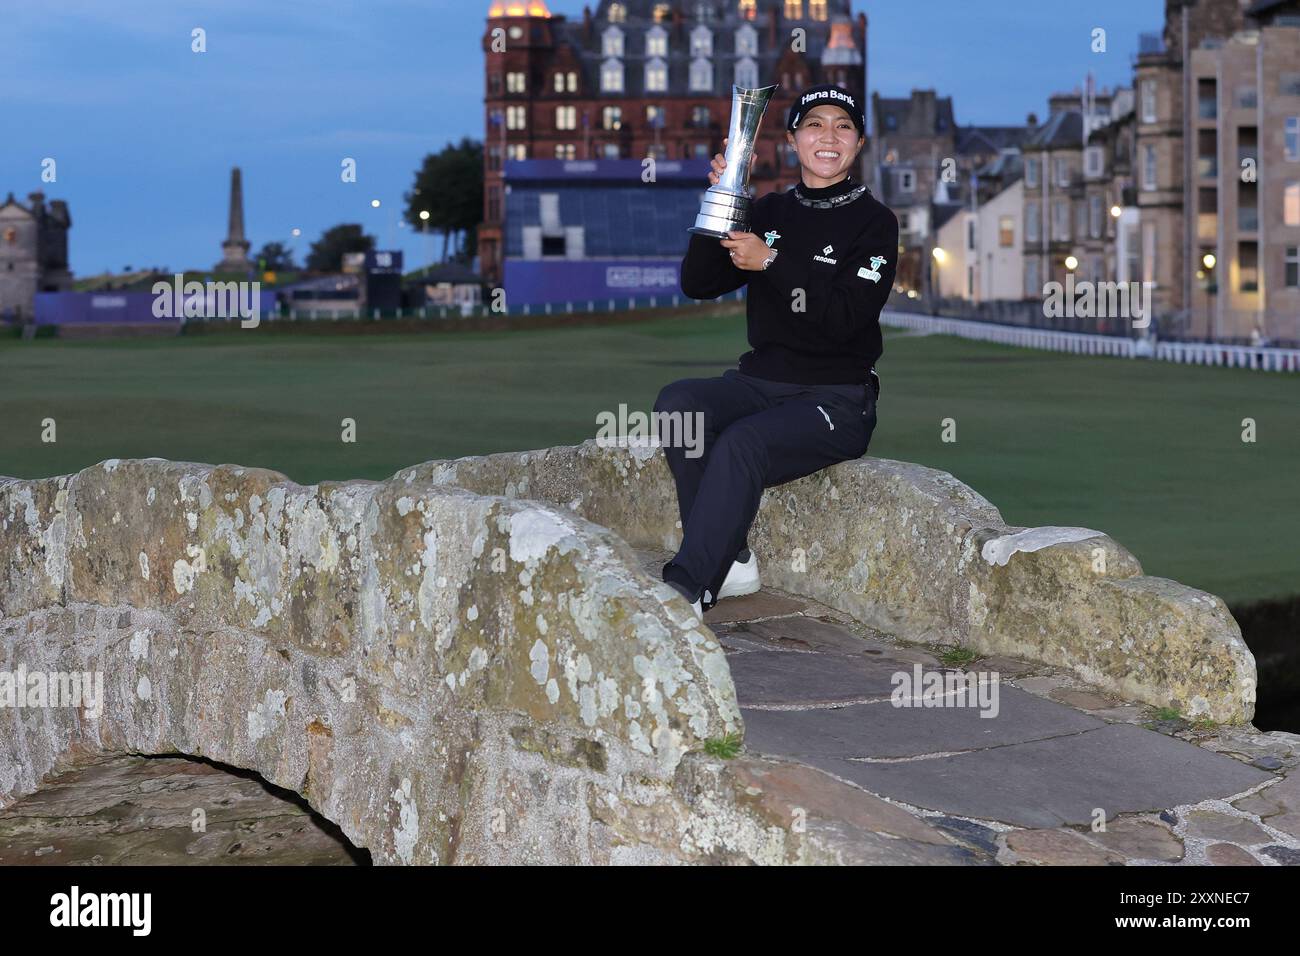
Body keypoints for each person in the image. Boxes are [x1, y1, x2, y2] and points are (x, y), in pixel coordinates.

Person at [656, 83, 899, 620]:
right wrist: (722, 197)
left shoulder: (876, 224)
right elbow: (698, 282)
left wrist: (772, 262)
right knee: (679, 406)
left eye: (843, 126)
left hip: (837, 398)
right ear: (792, 139)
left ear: (859, 143)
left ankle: (687, 589)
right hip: (760, 382)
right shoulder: (766, 211)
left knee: (742, 443)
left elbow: (844, 319)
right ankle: (734, 558)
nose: (828, 136)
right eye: (814, 125)